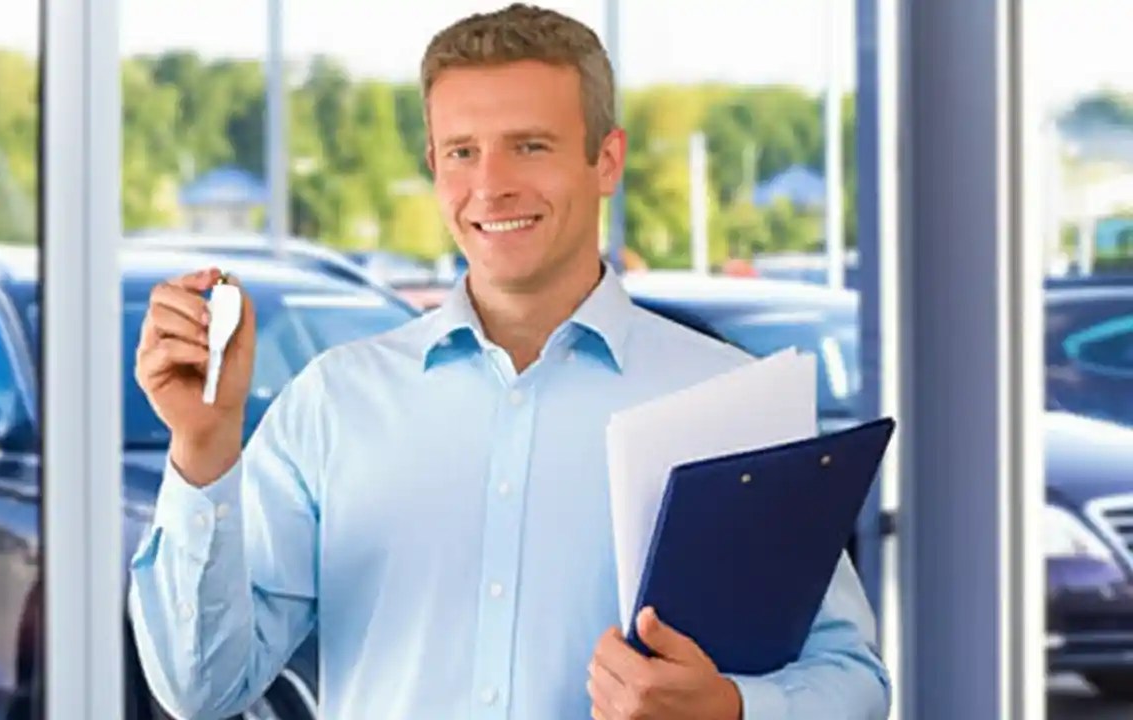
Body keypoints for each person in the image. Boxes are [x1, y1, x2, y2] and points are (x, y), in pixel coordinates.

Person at [127, 4, 891, 719]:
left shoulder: (725, 399)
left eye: (530, 146)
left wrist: (729, 707)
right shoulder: (335, 403)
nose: (491, 186)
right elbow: (201, 688)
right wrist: (203, 447)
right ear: (434, 165)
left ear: (607, 160)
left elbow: (852, 678)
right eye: (463, 152)